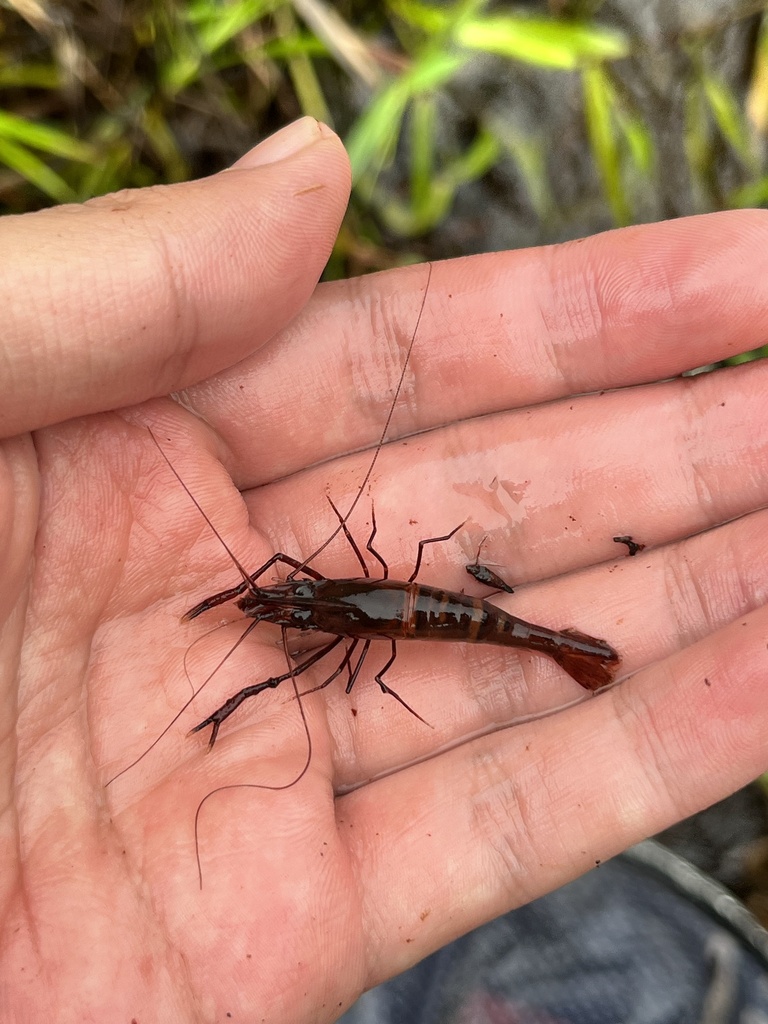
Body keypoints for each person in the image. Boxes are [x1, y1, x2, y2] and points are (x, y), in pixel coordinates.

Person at [3, 115, 768, 1022]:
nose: (288, 602)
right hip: (429, 611)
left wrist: (282, 621)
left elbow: (324, 617)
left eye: (293, 605)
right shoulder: (322, 604)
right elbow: (311, 597)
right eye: (294, 607)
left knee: (446, 635)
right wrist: (279, 606)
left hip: (447, 617)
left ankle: (560, 650)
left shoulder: (335, 621)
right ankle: (560, 655)